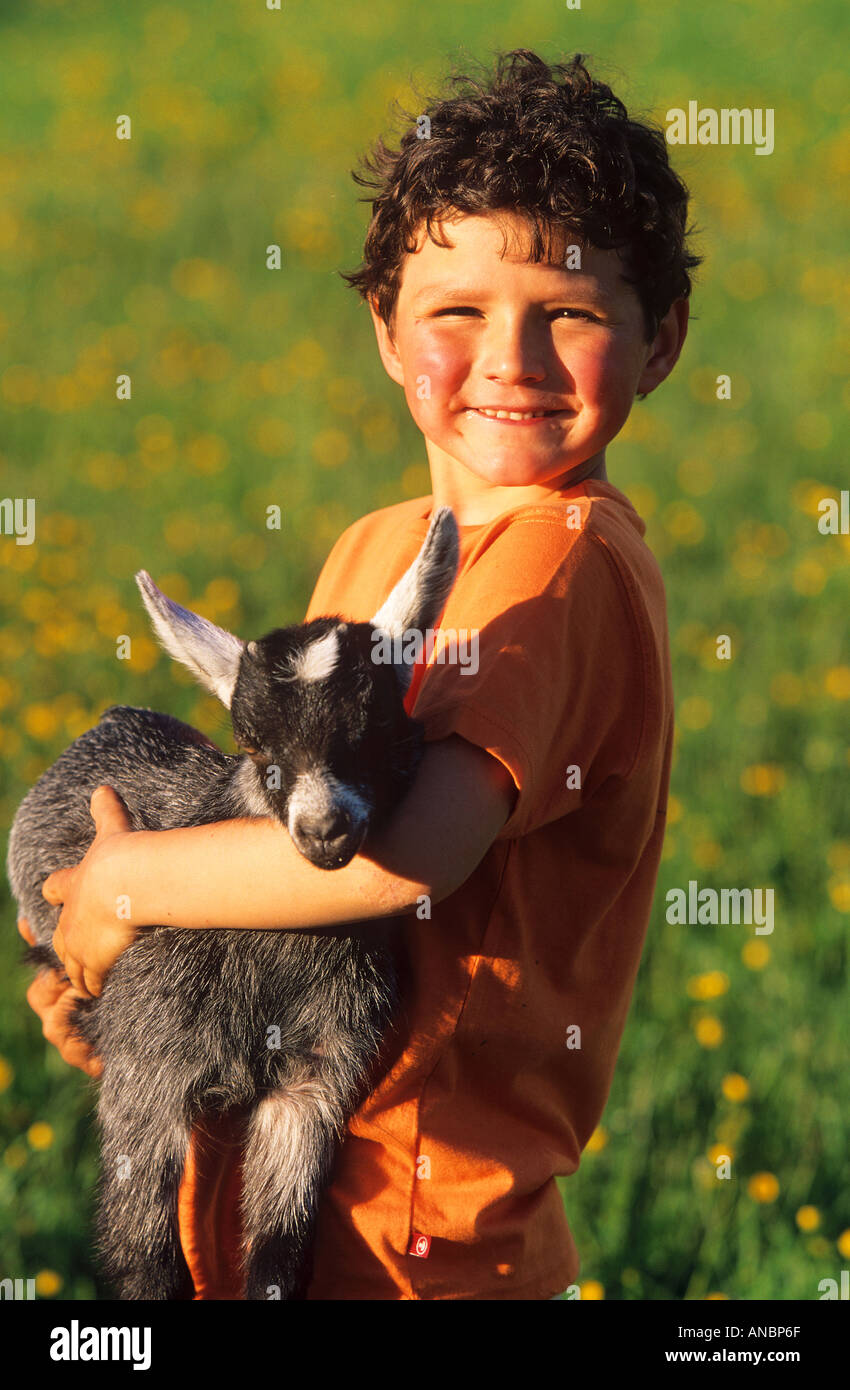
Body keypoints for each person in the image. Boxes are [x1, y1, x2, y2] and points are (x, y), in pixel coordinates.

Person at [20, 48, 699, 1299]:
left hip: (426, 1222)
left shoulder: (564, 573)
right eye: (457, 311)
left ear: (660, 343)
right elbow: (280, 821)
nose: (511, 358)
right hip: (289, 1166)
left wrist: (122, 883)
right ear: (386, 331)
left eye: (571, 312)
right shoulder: (377, 552)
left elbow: (401, 854)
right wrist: (129, 983)